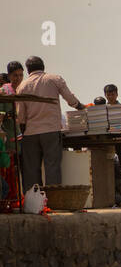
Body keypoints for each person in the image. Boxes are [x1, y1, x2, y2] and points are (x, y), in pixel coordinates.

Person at [15, 55, 84, 192]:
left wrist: (24, 130)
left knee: (31, 170)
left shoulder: (22, 85)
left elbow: (20, 116)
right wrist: (80, 107)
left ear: (28, 70)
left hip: (31, 132)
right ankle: (53, 201)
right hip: (51, 131)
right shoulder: (54, 79)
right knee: (52, 166)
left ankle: (34, 202)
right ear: (43, 66)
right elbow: (70, 99)